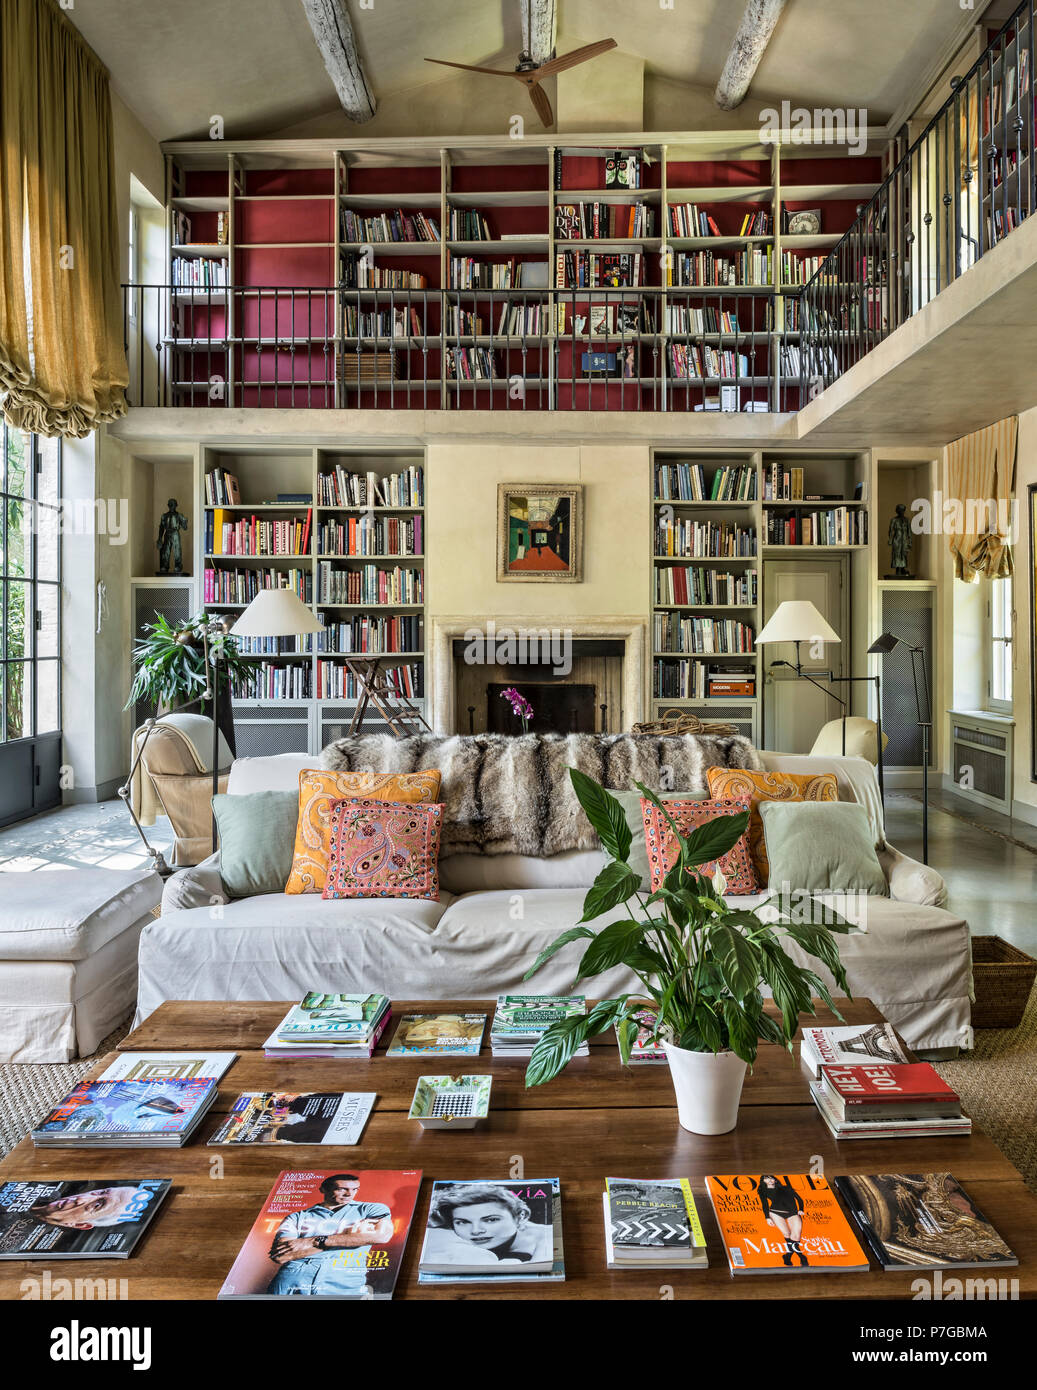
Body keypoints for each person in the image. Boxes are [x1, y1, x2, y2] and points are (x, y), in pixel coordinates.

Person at [266, 1174, 393, 1297]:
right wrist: (350, 1238)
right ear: (323, 1189)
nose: (349, 1194)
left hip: (345, 1282)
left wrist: (314, 1241)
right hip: (292, 1280)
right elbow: (281, 1256)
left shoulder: (371, 1209)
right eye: (341, 1189)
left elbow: (381, 1236)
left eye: (354, 1189)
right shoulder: (296, 1217)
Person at [424, 1183, 554, 1266]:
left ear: (521, 1216)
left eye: (491, 1220)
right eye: (463, 1222)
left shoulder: (547, 1239)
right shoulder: (449, 1234)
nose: (476, 1231)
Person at [757, 1174, 808, 1267]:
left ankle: (787, 1256)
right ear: (763, 1181)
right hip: (776, 1212)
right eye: (766, 1179)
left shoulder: (786, 1188)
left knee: (796, 1236)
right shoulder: (763, 1191)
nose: (769, 1180)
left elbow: (799, 1199)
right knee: (787, 1235)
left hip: (792, 1212)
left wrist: (801, 1209)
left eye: (771, 1178)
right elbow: (764, 1205)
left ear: (775, 1180)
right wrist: (767, 1217)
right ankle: (802, 1257)